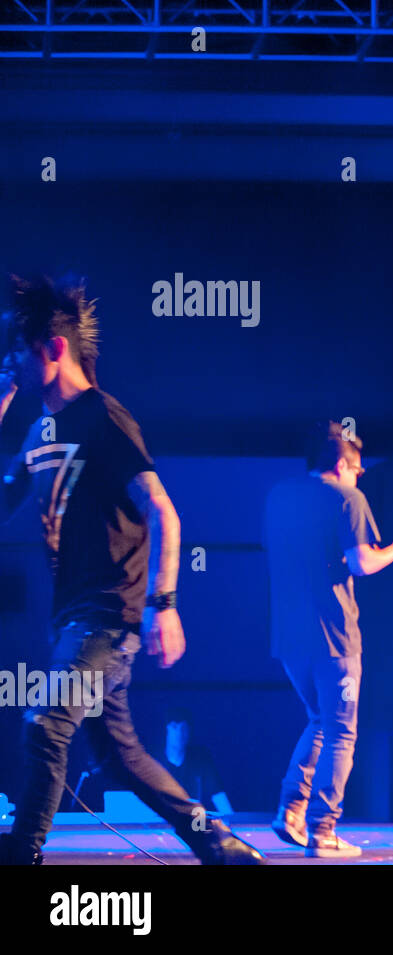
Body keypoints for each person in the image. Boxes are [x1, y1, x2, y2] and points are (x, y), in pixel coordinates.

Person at [0, 274, 263, 865]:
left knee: (44, 725)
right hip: (72, 620)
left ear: (54, 347)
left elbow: (164, 513)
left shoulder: (104, 419)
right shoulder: (41, 427)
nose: (10, 361)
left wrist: (163, 604)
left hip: (107, 617)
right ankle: (217, 844)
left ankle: (21, 854)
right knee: (121, 758)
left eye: (17, 348)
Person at [263, 420, 393, 858]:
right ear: (342, 463)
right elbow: (362, 562)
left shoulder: (279, 498)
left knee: (318, 721)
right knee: (342, 734)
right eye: (358, 468)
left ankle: (289, 812)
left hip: (289, 639)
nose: (360, 475)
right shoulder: (348, 499)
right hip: (334, 638)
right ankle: (323, 832)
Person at [156, 707, 233, 816]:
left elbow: (217, 794)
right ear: (166, 730)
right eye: (174, 727)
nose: (179, 733)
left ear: (188, 732)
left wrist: (231, 823)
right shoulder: (153, 761)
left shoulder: (200, 758)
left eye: (183, 728)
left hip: (195, 823)